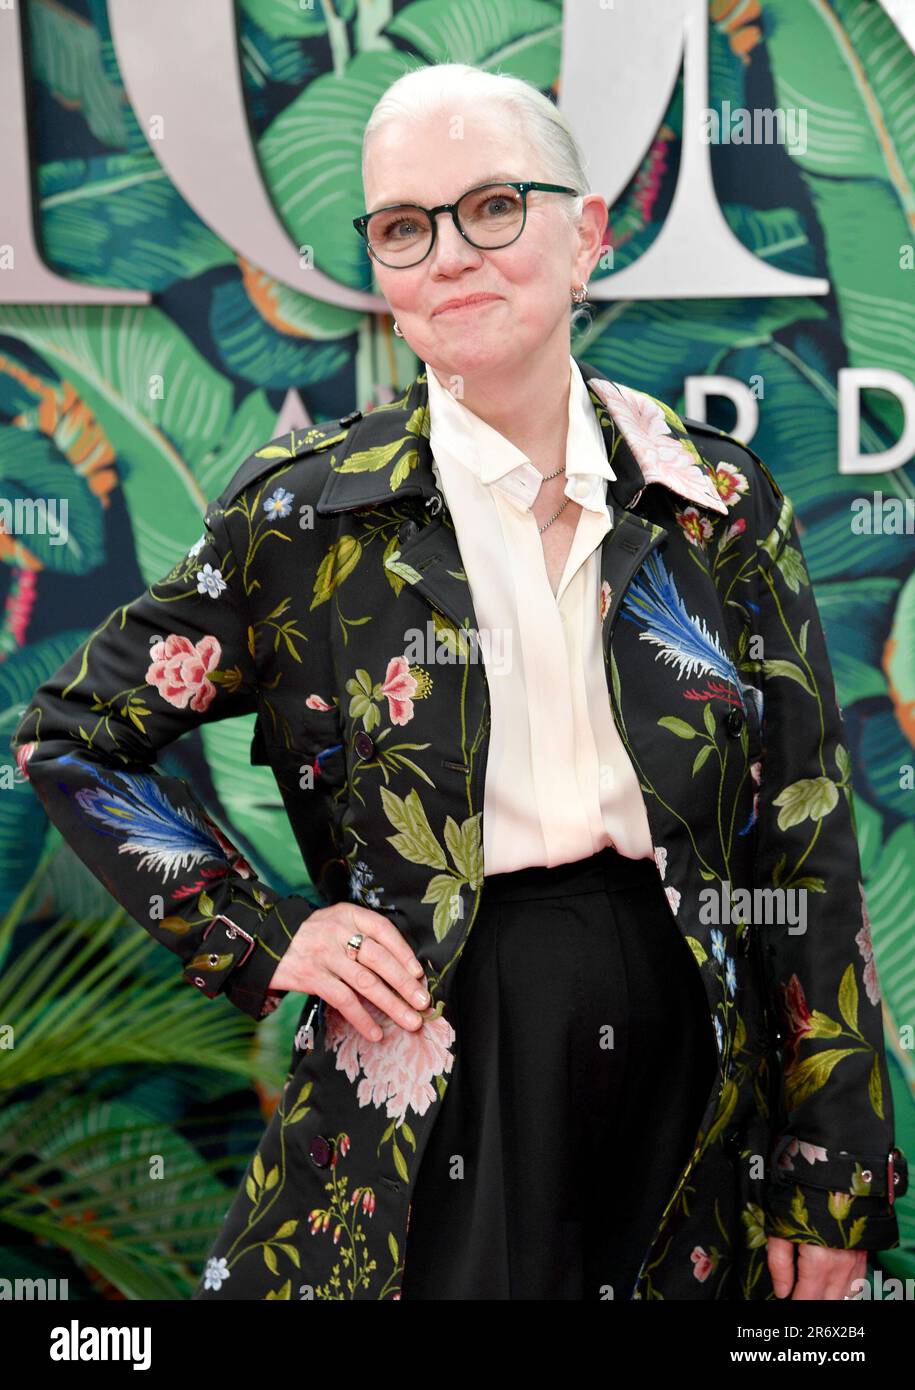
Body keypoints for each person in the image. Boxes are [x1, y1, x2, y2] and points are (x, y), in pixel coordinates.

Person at [11, 62, 905, 1302]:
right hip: (432, 1046)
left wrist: (832, 1167)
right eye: (402, 227)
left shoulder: (719, 501)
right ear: (379, 272)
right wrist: (268, 931)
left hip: (691, 1036)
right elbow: (72, 736)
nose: (448, 255)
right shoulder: (302, 516)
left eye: (493, 206)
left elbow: (803, 844)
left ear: (585, 235)